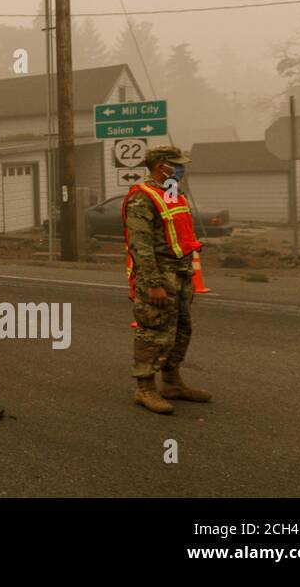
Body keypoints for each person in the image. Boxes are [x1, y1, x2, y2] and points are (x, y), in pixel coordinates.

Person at [122, 146, 213, 414]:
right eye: (176, 164)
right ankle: (145, 388)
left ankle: (172, 383)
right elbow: (141, 245)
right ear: (161, 166)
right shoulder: (143, 197)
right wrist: (153, 283)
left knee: (181, 328)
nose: (180, 169)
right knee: (153, 330)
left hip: (181, 273)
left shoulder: (174, 193)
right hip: (159, 275)